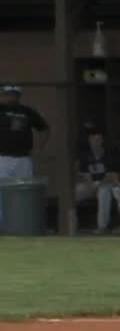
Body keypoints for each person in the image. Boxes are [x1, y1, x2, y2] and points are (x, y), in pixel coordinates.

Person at [0, 84, 50, 226]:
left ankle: (22, 223)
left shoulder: (27, 111)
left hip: (23, 158)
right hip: (2, 158)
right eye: (8, 93)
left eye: (14, 94)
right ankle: (2, 225)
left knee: (24, 192)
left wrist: (39, 149)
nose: (11, 96)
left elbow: (44, 129)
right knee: (1, 193)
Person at [74, 122, 114, 234]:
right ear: (89, 141)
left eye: (98, 139)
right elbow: (83, 175)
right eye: (92, 140)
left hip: (106, 184)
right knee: (72, 193)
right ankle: (70, 224)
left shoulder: (108, 154)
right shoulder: (85, 156)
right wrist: (91, 185)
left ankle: (102, 227)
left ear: (102, 140)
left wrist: (99, 184)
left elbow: (111, 175)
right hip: (90, 184)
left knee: (104, 191)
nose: (95, 142)